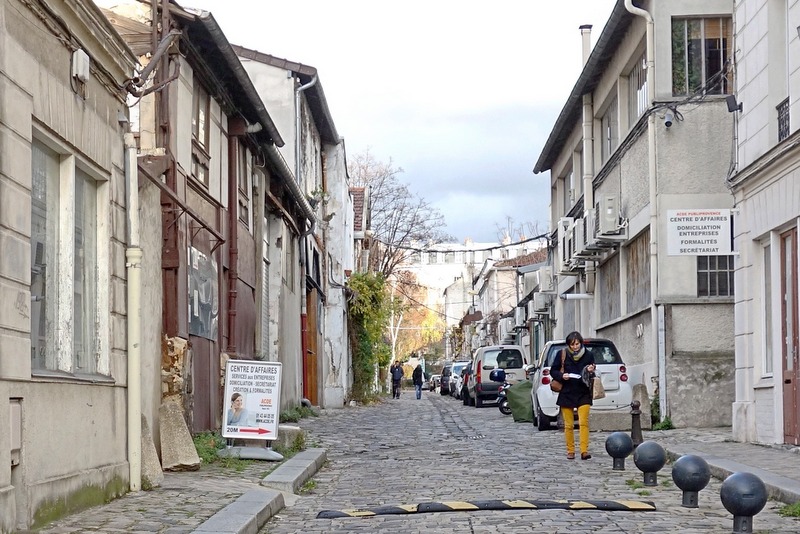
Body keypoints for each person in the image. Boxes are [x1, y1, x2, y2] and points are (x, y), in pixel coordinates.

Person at [550, 331, 596, 460]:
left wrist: (590, 370)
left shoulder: (588, 354)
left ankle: (584, 450)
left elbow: (593, 370)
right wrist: (561, 376)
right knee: (569, 425)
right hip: (567, 392)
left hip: (583, 392)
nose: (575, 346)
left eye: (577, 344)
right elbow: (553, 370)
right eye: (572, 344)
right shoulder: (562, 354)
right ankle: (570, 450)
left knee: (583, 422)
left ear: (581, 343)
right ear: (568, 345)